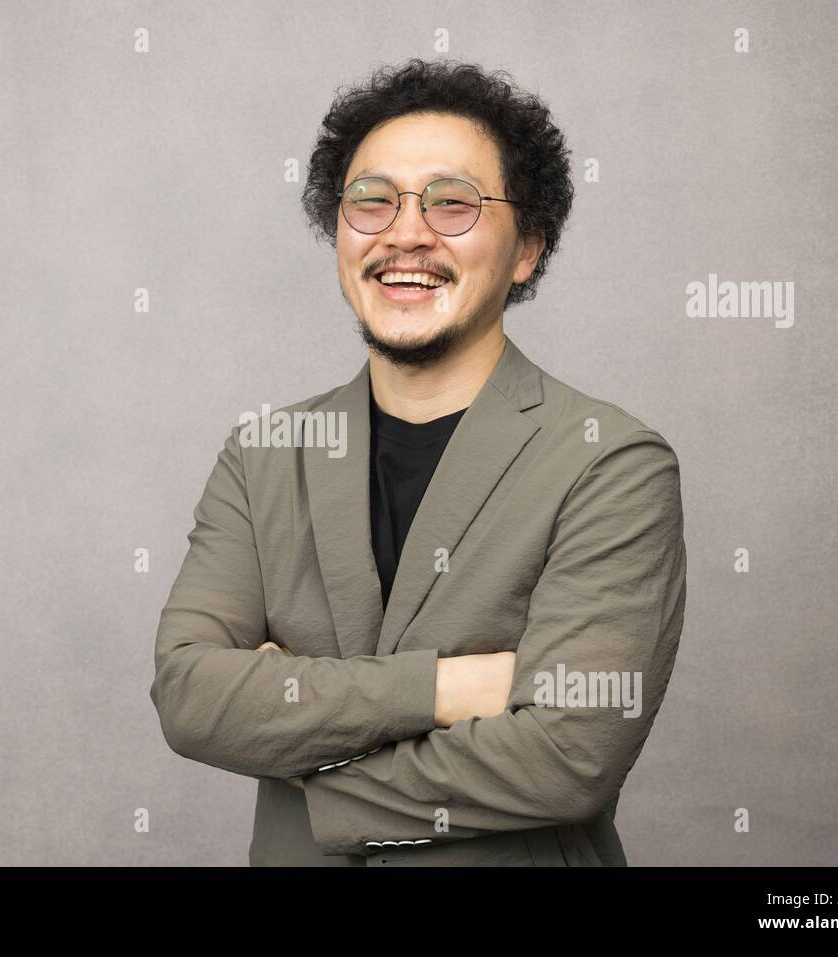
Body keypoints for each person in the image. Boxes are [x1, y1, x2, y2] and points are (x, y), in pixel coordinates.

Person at [149, 58, 688, 866]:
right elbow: (192, 698)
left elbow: (570, 756)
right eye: (373, 201)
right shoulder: (265, 455)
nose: (406, 232)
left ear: (527, 249)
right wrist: (452, 689)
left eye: (452, 202)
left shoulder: (610, 463)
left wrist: (304, 749)